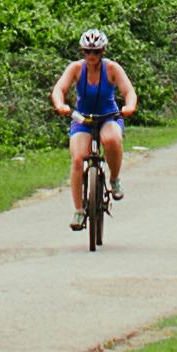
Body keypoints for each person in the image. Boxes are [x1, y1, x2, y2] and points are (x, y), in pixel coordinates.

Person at [53, 26, 130, 225]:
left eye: (96, 52)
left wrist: (129, 106)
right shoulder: (76, 68)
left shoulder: (112, 68)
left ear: (102, 52)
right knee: (78, 158)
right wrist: (60, 104)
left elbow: (128, 91)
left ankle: (114, 179)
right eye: (88, 51)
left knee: (111, 139)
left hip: (108, 116)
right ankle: (78, 210)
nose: (92, 56)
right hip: (82, 118)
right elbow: (59, 88)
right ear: (83, 52)